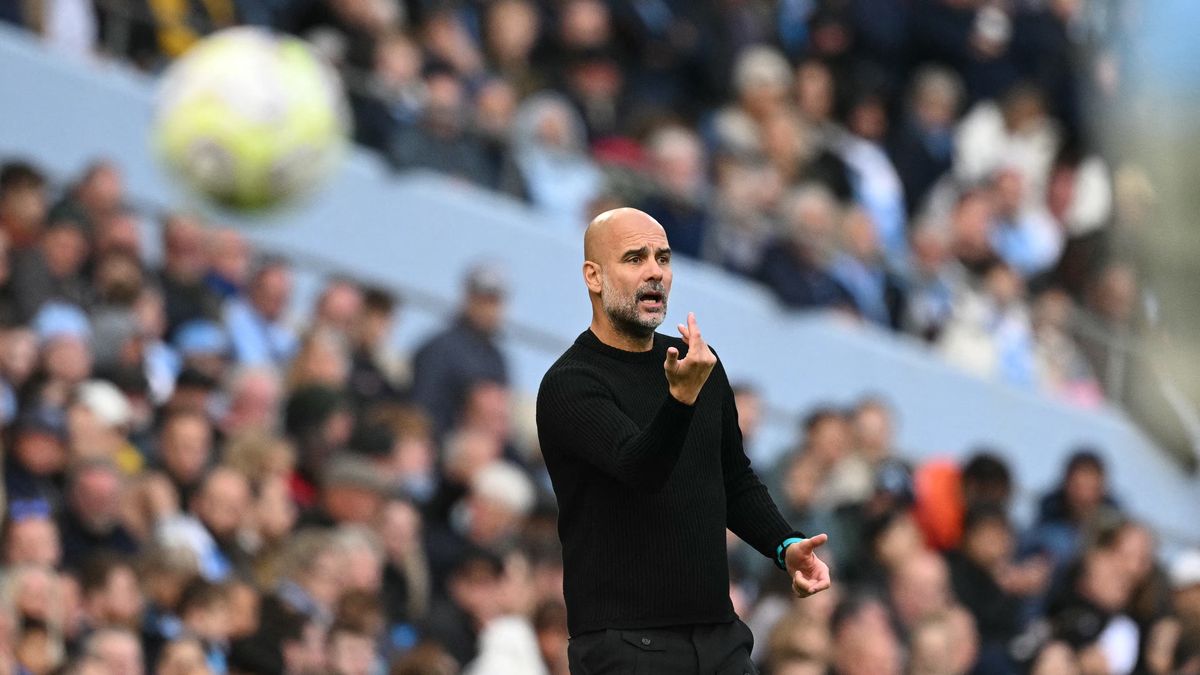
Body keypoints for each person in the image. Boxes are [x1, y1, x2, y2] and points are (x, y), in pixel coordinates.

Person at [536, 208, 831, 673]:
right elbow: (640, 469)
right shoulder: (570, 384)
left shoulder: (698, 366)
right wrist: (680, 399)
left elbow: (732, 477)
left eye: (663, 258)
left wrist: (783, 544)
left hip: (719, 637)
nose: (655, 271)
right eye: (635, 258)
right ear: (594, 276)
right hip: (625, 646)